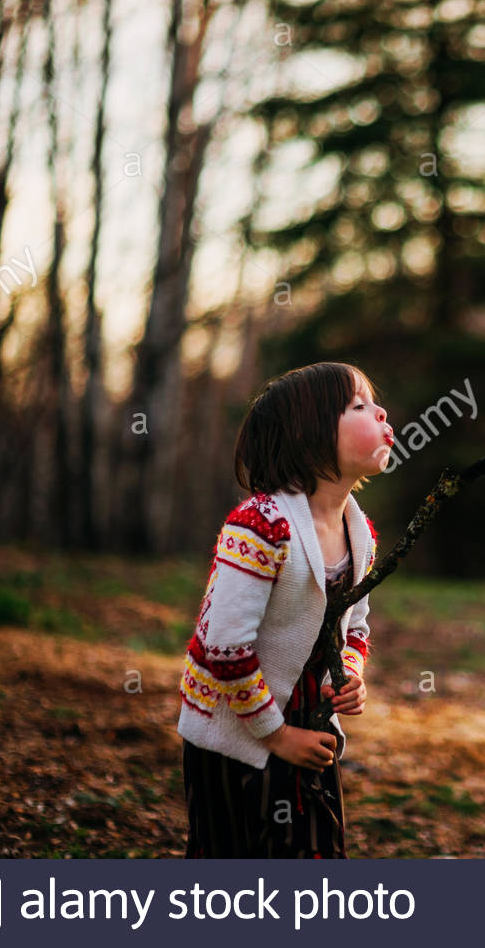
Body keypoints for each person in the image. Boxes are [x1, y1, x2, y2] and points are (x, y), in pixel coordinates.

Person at [178, 361, 394, 857]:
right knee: (230, 859)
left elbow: (353, 628)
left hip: (311, 722)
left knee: (315, 852)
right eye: (359, 406)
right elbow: (223, 647)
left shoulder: (360, 534)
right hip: (233, 728)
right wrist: (275, 736)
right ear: (309, 435)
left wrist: (348, 674)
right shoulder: (261, 525)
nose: (381, 411)